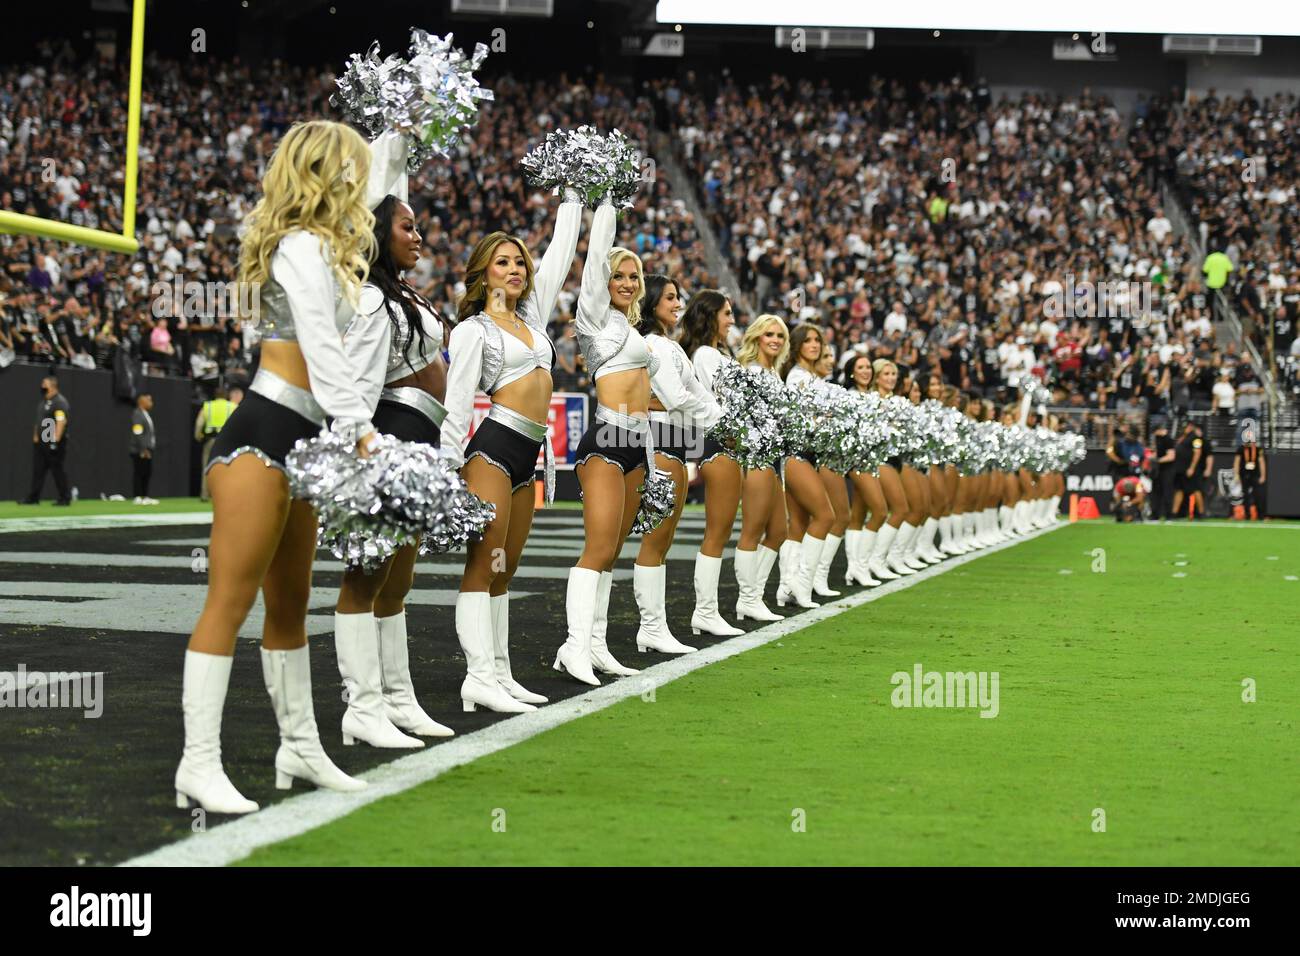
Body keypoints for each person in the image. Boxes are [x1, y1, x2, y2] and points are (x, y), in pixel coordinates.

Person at [175, 120, 396, 815]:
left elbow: (383, 192)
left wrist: (401, 129)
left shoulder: (324, 247)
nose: (363, 183)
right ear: (329, 172)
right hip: (263, 435)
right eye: (354, 169)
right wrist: (361, 430)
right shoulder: (300, 247)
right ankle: (197, 764)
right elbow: (322, 347)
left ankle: (299, 745)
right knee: (229, 602)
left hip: (303, 439)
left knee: (291, 603)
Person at [441, 189, 583, 709]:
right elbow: (457, 406)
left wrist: (576, 194)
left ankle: (499, 674)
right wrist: (444, 467)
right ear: (484, 273)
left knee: (506, 567)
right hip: (493, 450)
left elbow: (562, 253)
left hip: (531, 455)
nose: (516, 269)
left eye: (520, 261)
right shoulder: (472, 330)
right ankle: (476, 675)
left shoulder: (533, 319)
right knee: (483, 564)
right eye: (503, 262)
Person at [331, 192, 457, 747]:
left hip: (420, 442)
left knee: (397, 581)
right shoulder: (370, 301)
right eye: (407, 226)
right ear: (379, 232)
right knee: (366, 577)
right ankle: (361, 705)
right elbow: (356, 387)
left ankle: (398, 699)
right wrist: (362, 460)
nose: (418, 235)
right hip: (390, 437)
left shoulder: (399, 293)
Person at [554, 200, 659, 686]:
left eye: (634, 277)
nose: (627, 283)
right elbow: (596, 261)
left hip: (639, 445)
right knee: (596, 548)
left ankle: (595, 645)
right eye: (620, 275)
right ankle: (574, 646)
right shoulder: (594, 317)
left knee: (612, 551)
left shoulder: (632, 326)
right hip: (606, 439)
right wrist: (607, 202)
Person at [636, 274, 722, 652]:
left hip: (675, 440)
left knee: (664, 538)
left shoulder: (669, 346)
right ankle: (650, 628)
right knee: (655, 539)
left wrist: (708, 410)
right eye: (670, 297)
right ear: (651, 301)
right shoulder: (652, 344)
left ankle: (654, 627)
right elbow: (676, 396)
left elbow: (690, 395)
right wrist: (721, 419)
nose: (677, 304)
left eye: (678, 297)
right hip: (658, 438)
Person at [681, 291, 764, 631]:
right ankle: (705, 611)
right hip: (718, 442)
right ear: (709, 315)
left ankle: (708, 610)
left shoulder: (716, 353)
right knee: (717, 531)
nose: (732, 320)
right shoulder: (704, 355)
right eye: (726, 313)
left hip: (726, 443)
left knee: (723, 529)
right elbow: (718, 403)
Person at [778, 323, 841, 604]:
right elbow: (805, 419)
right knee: (826, 516)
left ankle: (786, 587)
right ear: (798, 346)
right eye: (808, 341)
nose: (814, 345)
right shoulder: (798, 377)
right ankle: (802, 584)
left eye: (818, 340)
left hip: (807, 454)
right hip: (796, 453)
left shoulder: (811, 377)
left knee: (799, 524)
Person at [21, 374, 72, 506]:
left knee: (57, 470)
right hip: (42, 442)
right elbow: (39, 421)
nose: (42, 387)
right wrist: (36, 436)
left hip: (53, 442)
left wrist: (55, 440)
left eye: (45, 385)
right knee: (38, 470)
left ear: (53, 386)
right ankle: (33, 497)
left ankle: (65, 497)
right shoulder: (44, 402)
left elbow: (61, 421)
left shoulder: (59, 402)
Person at [194, 386, 239, 502]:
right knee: (228, 466)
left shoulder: (208, 406)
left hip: (210, 439)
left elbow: (199, 423)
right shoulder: (232, 406)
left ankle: (204, 494)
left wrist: (197, 435)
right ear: (226, 395)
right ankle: (226, 493)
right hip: (227, 441)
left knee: (206, 466)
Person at [1170, 421, 1203, 519]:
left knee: (1196, 490)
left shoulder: (1196, 438)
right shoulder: (1181, 438)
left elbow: (1198, 452)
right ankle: (1174, 513)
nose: (1185, 428)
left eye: (1187, 426)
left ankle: (1201, 513)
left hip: (1190, 469)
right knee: (1179, 490)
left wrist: (1192, 467)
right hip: (1180, 470)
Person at [129, 392, 158, 505]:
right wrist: (143, 448)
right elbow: (137, 431)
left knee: (147, 472)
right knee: (139, 472)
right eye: (149, 400)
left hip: (147, 448)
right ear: (142, 401)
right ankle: (137, 496)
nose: (151, 403)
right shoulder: (138, 414)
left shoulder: (146, 414)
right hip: (139, 449)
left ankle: (145, 496)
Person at [1234, 433, 1266, 520]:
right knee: (1245, 496)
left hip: (1255, 475)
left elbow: (1261, 462)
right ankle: (1247, 515)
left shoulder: (1258, 449)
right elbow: (1236, 462)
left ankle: (1260, 515)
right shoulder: (1241, 449)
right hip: (1244, 475)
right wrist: (1236, 475)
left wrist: (1263, 475)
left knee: (1258, 495)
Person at [1150, 421, 1177, 520]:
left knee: (1167, 492)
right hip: (1158, 470)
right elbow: (1157, 452)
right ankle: (1155, 514)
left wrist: (1157, 460)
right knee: (1156, 492)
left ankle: (1169, 515)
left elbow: (1171, 456)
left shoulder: (1168, 440)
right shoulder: (1157, 438)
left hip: (1168, 470)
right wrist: (1151, 457)